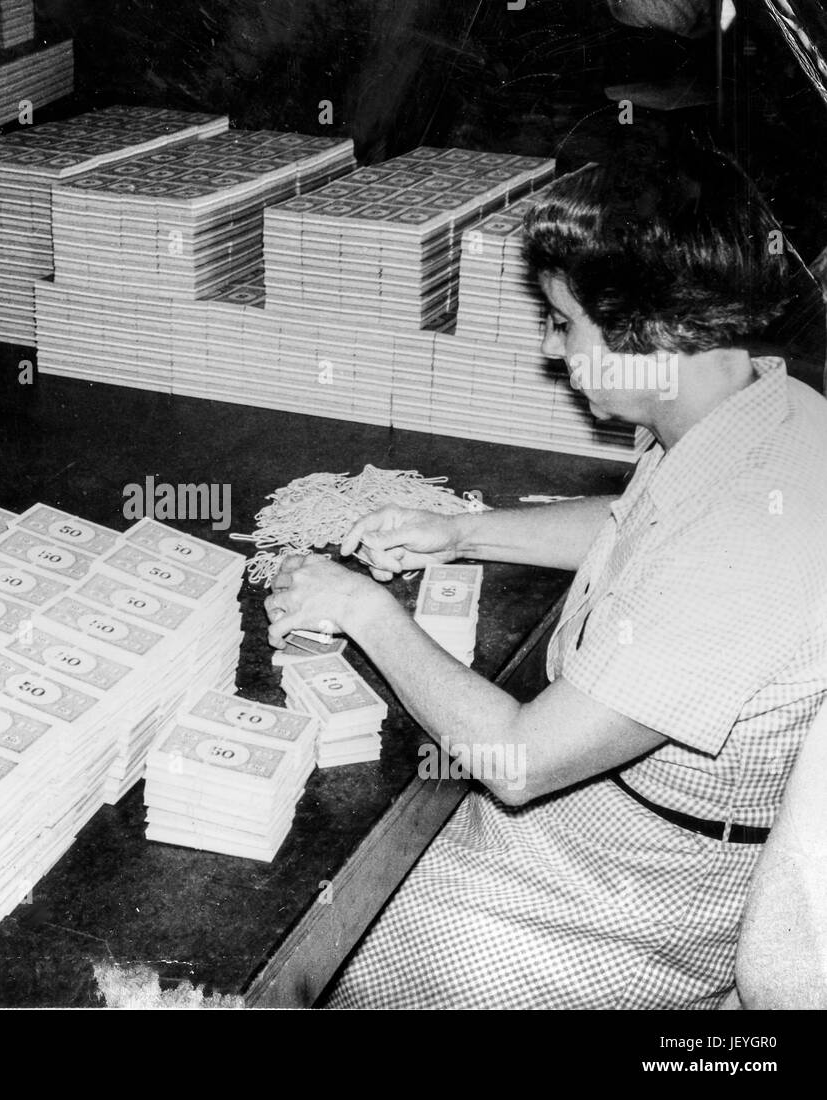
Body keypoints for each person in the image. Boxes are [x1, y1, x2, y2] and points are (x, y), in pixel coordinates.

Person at [263, 145, 827, 1009]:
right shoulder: (768, 412)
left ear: (657, 330)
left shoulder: (750, 538)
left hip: (644, 897)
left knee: (328, 952)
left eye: (564, 323)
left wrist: (364, 608)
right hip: (622, 825)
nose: (549, 348)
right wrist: (462, 531)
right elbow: (634, 528)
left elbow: (520, 761)